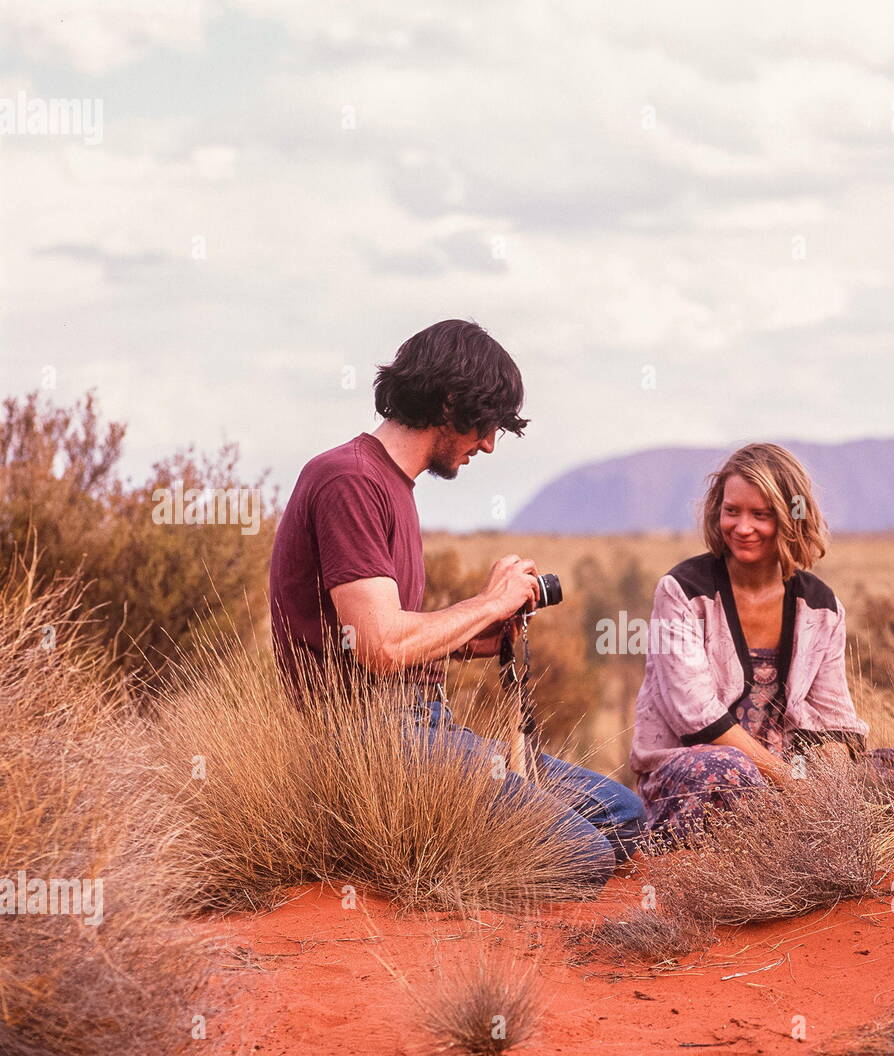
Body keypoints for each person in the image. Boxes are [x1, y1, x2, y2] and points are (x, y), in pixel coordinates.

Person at [269, 319, 646, 886]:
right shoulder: (349, 480)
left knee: (624, 816)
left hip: (427, 726)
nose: (490, 444)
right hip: (372, 739)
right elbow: (380, 647)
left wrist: (485, 638)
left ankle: (465, 840)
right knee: (582, 856)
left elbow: (396, 635)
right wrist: (491, 602)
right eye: (486, 423)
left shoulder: (393, 484)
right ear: (449, 401)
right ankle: (415, 872)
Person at [630, 441, 878, 845]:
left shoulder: (822, 607)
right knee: (728, 772)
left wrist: (831, 780)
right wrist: (790, 782)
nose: (742, 528)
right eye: (732, 511)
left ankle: (798, 845)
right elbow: (696, 719)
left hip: (784, 777)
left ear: (790, 518)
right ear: (717, 511)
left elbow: (835, 720)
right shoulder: (682, 591)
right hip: (695, 768)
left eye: (761, 515)